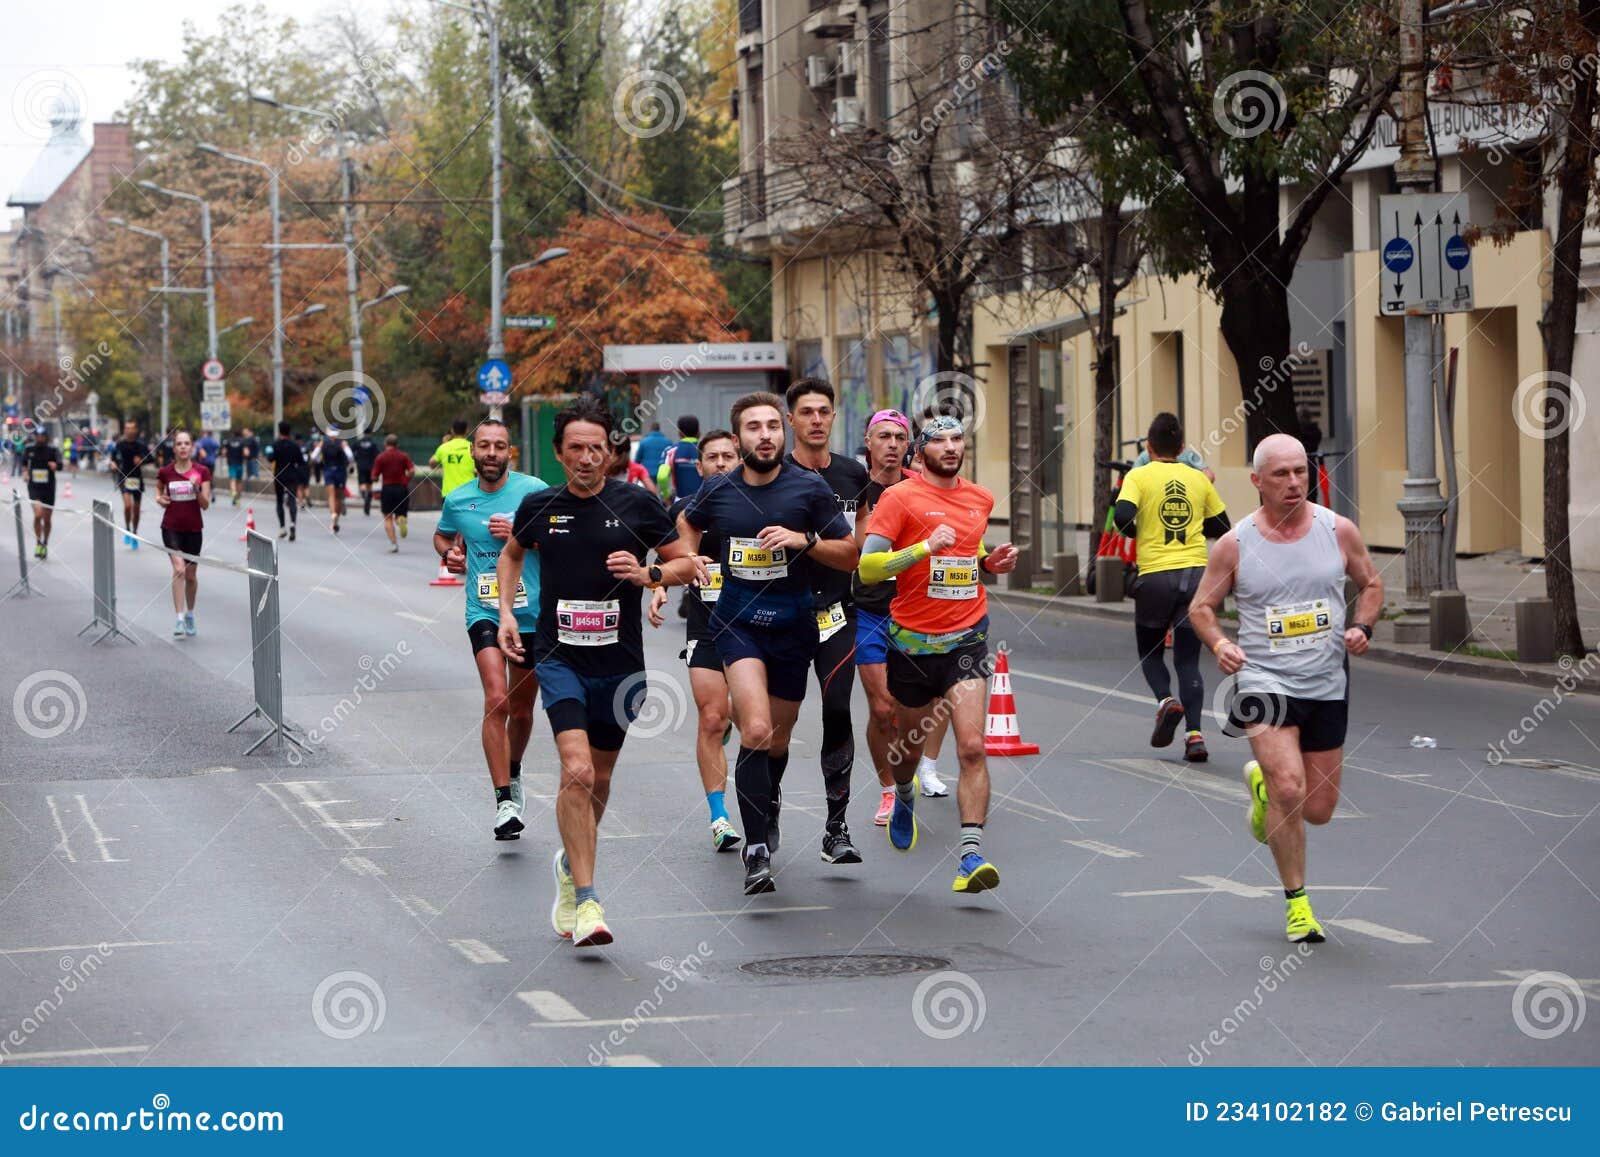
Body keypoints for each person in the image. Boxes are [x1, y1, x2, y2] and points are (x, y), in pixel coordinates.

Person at [498, 397, 702, 948]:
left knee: (600, 780)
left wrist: (647, 573)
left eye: (597, 447)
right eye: (576, 449)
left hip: (620, 665)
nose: (587, 457)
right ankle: (587, 901)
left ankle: (570, 863)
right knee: (578, 770)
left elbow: (687, 563)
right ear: (560, 454)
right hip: (558, 656)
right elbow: (512, 555)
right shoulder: (540, 506)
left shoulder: (637, 504)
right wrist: (507, 613)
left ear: (611, 450)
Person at [1188, 434, 1382, 945]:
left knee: (1317, 810)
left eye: (1301, 471)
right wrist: (1220, 644)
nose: (1294, 482)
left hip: (1326, 681)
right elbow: (1201, 608)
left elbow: (1372, 584)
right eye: (1281, 474)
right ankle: (1298, 904)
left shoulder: (1337, 531)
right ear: (1257, 482)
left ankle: (1260, 790)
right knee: (1290, 789)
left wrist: (1363, 627)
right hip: (1262, 682)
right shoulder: (1236, 543)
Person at [676, 392, 859, 895]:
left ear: (783, 433)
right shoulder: (720, 489)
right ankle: (757, 851)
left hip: (793, 626)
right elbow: (687, 522)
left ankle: (767, 798)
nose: (765, 435)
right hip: (738, 624)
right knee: (753, 729)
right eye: (754, 427)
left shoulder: (809, 489)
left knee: (777, 739)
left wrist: (806, 542)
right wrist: (691, 558)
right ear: (738, 440)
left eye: (773, 426)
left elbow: (850, 555)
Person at [857, 416, 1019, 894]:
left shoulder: (980, 498)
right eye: (939, 441)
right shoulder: (898, 499)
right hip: (911, 643)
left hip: (966, 639)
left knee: (971, 747)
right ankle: (903, 792)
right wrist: (924, 548)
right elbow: (868, 568)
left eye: (957, 440)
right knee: (906, 750)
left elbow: (969, 555)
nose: (950, 448)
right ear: (919, 450)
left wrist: (991, 563)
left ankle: (970, 855)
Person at [435, 419, 550, 840]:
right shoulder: (458, 499)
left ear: (509, 453)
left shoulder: (534, 490)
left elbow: (559, 539)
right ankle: (504, 801)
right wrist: (450, 555)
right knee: (497, 699)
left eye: (499, 446)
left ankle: (514, 770)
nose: (491, 453)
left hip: (531, 612)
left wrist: (524, 537)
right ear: (472, 452)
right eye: (484, 446)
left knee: (521, 709)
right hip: (483, 609)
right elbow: (443, 536)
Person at [782, 378, 874, 863]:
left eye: (824, 411)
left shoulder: (851, 474)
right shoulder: (774, 474)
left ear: (834, 418)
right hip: (781, 615)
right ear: (791, 421)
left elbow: (860, 548)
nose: (816, 419)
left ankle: (836, 829)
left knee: (837, 708)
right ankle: (766, 815)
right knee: (778, 723)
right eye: (807, 412)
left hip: (838, 612)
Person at [1113, 413, 1231, 762]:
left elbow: (1121, 517)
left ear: (1148, 448)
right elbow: (1223, 524)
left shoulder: (1138, 475)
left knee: (1150, 652)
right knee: (1188, 660)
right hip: (1196, 577)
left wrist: (1143, 531)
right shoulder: (1198, 479)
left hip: (1155, 577)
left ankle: (1166, 701)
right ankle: (1195, 736)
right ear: (1182, 448)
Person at [647, 428, 743, 853]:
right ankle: (720, 817)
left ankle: (762, 800)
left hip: (756, 629)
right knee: (711, 718)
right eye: (713, 457)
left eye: (728, 456)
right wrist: (660, 588)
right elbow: (661, 559)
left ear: (739, 460)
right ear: (698, 465)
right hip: (706, 626)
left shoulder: (756, 507)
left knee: (753, 723)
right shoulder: (685, 510)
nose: (721, 463)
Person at [852, 409, 931, 826]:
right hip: (868, 610)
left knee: (907, 711)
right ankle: (889, 790)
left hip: (915, 612)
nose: (893, 444)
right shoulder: (855, 489)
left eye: (900, 437)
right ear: (869, 442)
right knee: (882, 709)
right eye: (884, 436)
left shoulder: (922, 490)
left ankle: (908, 775)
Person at [155, 430, 212, 638]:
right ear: (174, 448)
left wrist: (196, 489)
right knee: (178, 569)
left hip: (194, 529)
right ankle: (179, 618)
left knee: (191, 576)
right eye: (179, 443)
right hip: (170, 527)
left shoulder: (202, 471)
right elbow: (158, 489)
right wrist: (159, 499)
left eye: (187, 443)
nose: (183, 447)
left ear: (192, 447)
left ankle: (190, 614)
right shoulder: (166, 471)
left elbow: (205, 505)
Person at [108, 419, 150, 549]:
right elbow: (113, 459)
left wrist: (142, 460)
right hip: (124, 477)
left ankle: (134, 533)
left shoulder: (141, 445)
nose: (129, 431)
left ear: (136, 430)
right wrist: (113, 464)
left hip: (137, 478)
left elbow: (151, 458)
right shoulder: (119, 445)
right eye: (127, 428)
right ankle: (127, 529)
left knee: (136, 509)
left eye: (131, 428)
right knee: (128, 506)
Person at [371, 435, 415, 550]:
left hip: (387, 488)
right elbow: (411, 470)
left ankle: (393, 543)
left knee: (388, 517)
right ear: (397, 444)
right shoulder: (404, 456)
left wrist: (375, 478)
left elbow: (374, 476)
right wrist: (407, 479)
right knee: (400, 513)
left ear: (385, 444)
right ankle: (400, 519)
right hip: (402, 488)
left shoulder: (381, 457)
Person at [24, 427, 62, 560]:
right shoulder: (29, 449)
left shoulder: (53, 450)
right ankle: (38, 542)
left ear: (46, 437)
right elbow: (24, 463)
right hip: (34, 487)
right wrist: (25, 473)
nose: (40, 438)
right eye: (38, 436)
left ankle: (45, 543)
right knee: (38, 514)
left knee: (47, 519)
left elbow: (61, 464)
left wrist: (55, 466)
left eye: (42, 436)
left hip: (49, 488)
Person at [270, 422, 306, 541]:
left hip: (279, 475)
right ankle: (292, 524)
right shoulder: (295, 446)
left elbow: (271, 458)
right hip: (292, 475)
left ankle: (282, 527)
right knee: (292, 501)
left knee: (279, 501)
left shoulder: (276, 445)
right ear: (289, 431)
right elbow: (301, 462)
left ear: (280, 431)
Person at [314, 429, 354, 533]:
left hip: (328, 470)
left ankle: (333, 515)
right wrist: (350, 464)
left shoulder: (323, 443)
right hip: (340, 471)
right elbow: (350, 456)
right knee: (339, 496)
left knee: (331, 495)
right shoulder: (342, 443)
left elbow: (314, 456)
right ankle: (337, 519)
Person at [656, 413, 701, 501]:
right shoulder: (706, 451)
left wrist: (666, 495)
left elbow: (662, 476)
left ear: (679, 433)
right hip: (703, 502)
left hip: (680, 501)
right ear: (698, 432)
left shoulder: (670, 451)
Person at [432, 419, 475, 496]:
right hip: (468, 493)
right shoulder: (472, 447)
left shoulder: (444, 447)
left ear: (452, 431)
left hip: (449, 494)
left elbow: (432, 462)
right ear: (467, 430)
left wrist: (444, 445)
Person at [352, 429, 381, 516]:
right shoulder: (373, 444)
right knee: (369, 484)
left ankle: (365, 496)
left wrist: (356, 460)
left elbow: (352, 452)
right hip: (370, 466)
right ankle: (368, 496)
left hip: (361, 466)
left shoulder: (358, 442)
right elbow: (377, 455)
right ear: (370, 434)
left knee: (362, 483)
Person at [223, 429, 248, 506]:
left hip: (231, 463)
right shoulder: (243, 441)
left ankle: (233, 492)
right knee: (239, 481)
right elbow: (246, 453)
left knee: (232, 480)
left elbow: (224, 453)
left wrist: (228, 455)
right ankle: (238, 499)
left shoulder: (228, 441)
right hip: (240, 463)